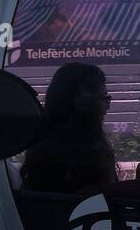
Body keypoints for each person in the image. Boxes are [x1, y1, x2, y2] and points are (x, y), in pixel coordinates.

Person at [20, 63, 117, 194]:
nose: (107, 107)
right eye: (104, 98)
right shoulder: (90, 154)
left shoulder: (42, 148)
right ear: (84, 103)